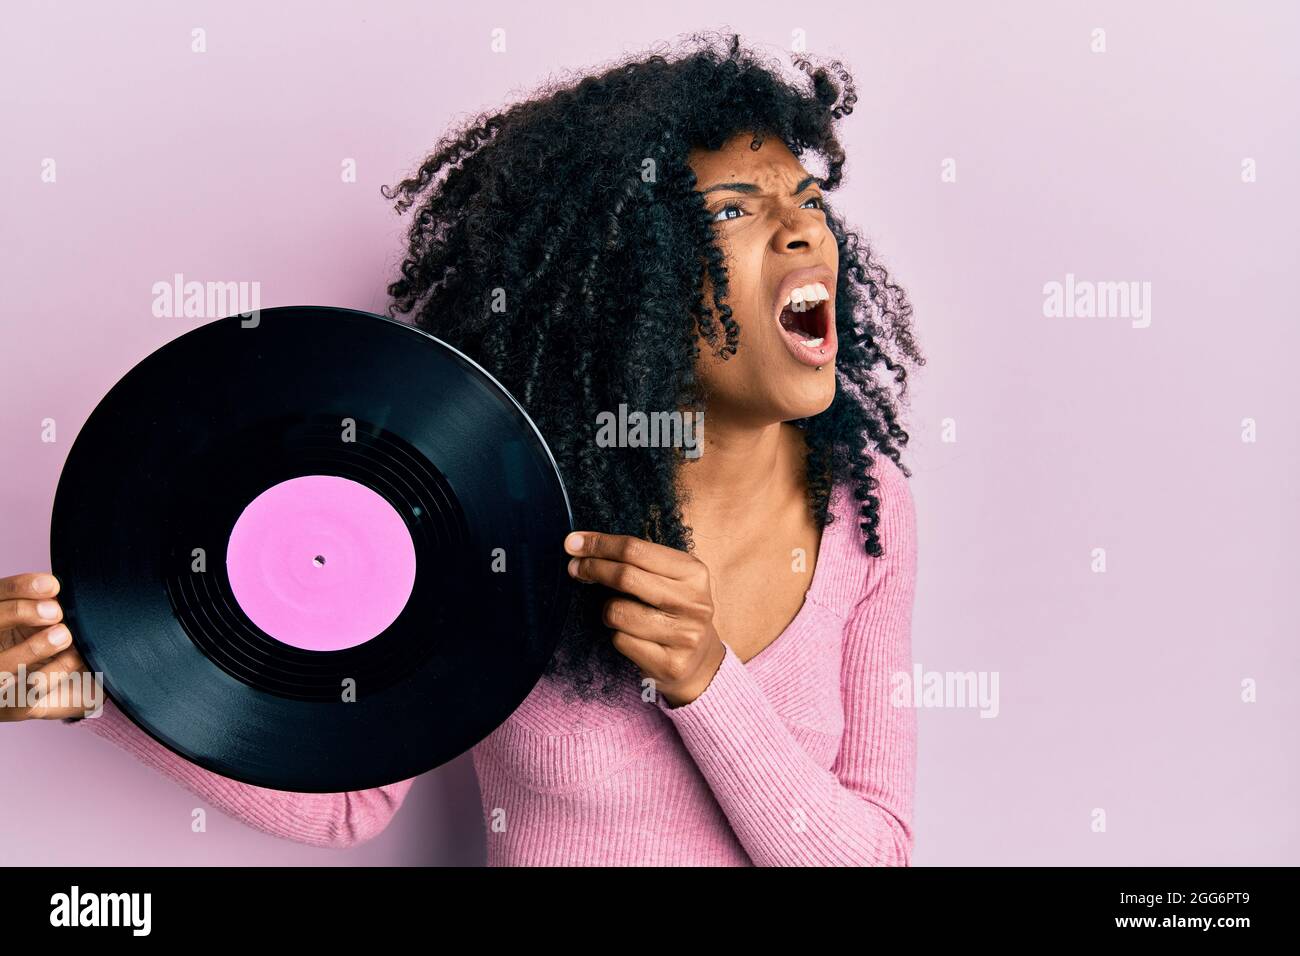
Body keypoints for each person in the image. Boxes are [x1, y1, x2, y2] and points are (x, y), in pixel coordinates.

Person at [2, 32, 925, 865]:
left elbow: (876, 859)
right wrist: (103, 692)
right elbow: (351, 802)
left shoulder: (864, 508)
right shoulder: (494, 497)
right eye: (732, 213)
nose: (805, 228)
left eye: (804, 199)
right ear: (626, 281)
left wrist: (706, 683)